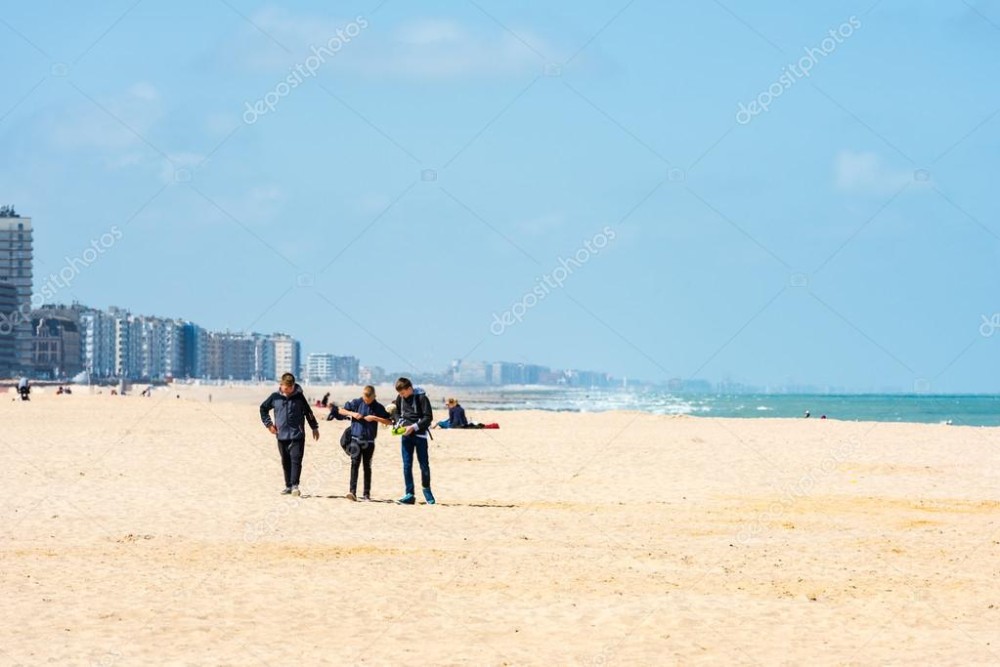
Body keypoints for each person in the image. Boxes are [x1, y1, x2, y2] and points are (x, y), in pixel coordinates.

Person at [259, 372, 320, 496]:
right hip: (281, 435)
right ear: (281, 385)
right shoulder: (275, 397)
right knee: (285, 461)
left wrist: (314, 427)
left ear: (293, 386)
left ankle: (295, 486)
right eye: (285, 389)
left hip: (297, 435)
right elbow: (263, 409)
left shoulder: (299, 397)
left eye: (290, 389)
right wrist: (269, 425)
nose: (287, 391)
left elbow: (308, 412)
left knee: (296, 460)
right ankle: (288, 486)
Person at [334, 385, 392, 501]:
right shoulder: (356, 402)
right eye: (365, 400)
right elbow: (340, 410)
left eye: (369, 400)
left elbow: (389, 421)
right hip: (355, 439)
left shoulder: (378, 407)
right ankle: (352, 492)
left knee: (367, 467)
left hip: (369, 442)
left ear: (374, 397)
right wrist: (353, 414)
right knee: (354, 465)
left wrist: (375, 418)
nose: (367, 402)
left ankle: (366, 494)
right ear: (363, 396)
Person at [392, 377, 435, 505]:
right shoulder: (400, 398)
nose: (401, 396)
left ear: (409, 389)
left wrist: (413, 427)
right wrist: (399, 424)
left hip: (420, 436)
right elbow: (397, 413)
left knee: (424, 465)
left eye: (403, 393)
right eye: (400, 394)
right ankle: (409, 494)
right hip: (405, 436)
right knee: (407, 465)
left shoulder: (422, 398)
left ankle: (427, 490)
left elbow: (428, 418)